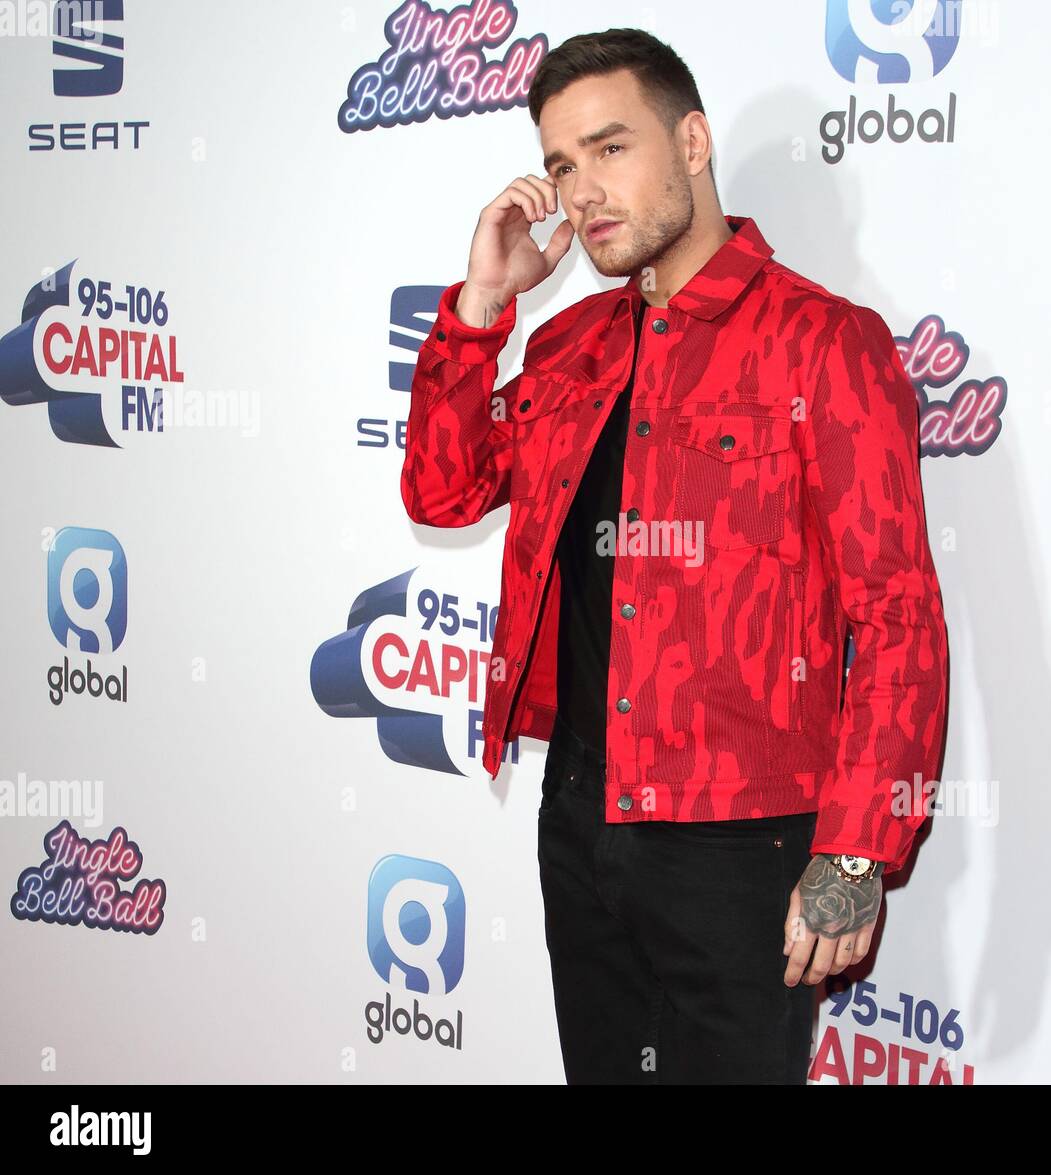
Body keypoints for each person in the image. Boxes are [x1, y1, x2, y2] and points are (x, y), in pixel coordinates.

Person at [400, 27, 949, 1084]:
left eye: (610, 149)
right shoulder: (569, 349)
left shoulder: (824, 343)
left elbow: (895, 614)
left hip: (741, 846)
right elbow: (443, 485)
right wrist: (481, 309)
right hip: (580, 817)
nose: (582, 191)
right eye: (561, 164)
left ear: (691, 141)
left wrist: (853, 851)